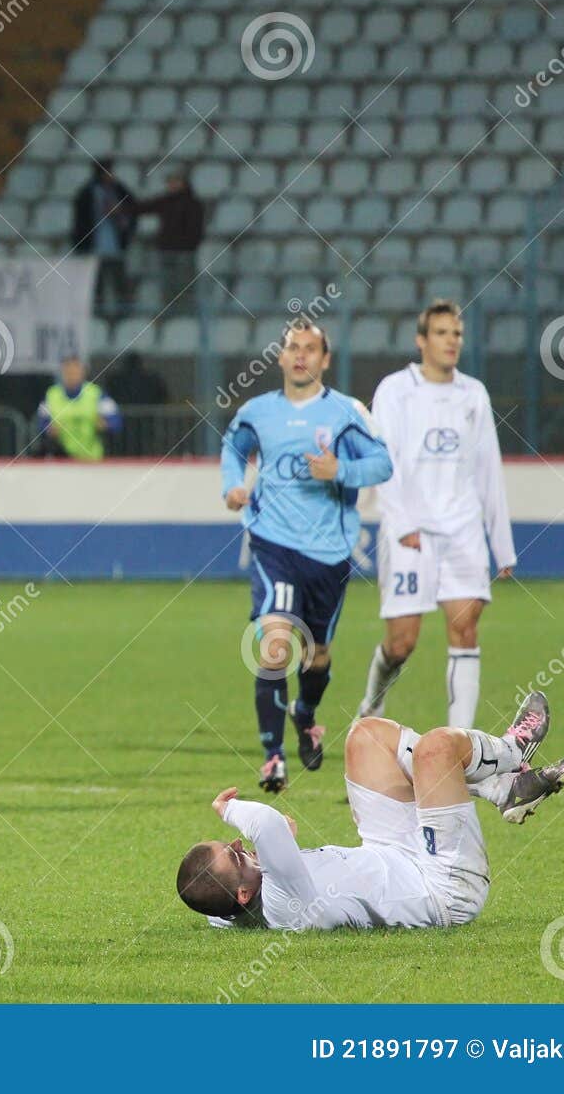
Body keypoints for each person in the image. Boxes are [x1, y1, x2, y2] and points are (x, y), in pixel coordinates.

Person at [177, 692, 564, 930]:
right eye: (232, 853)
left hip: (388, 848)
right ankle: (511, 754)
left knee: (366, 734)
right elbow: (264, 822)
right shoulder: (282, 903)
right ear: (245, 893)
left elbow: (216, 906)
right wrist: (226, 808)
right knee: (436, 748)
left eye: (226, 842)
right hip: (444, 886)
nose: (236, 843)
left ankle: (503, 789)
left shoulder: (239, 906)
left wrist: (274, 852)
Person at [220, 319, 393, 794]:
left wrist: (341, 470)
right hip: (272, 544)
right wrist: (232, 487)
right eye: (292, 347)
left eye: (310, 349)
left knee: (316, 656)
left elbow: (383, 463)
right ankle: (273, 757)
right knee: (276, 644)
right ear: (280, 357)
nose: (300, 355)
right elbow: (233, 448)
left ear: (325, 359)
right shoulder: (258, 412)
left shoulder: (345, 412)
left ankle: (306, 713)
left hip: (329, 553)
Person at [360, 300, 516, 728]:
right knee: (402, 643)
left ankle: (459, 743)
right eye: (443, 333)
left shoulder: (474, 394)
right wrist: (403, 522)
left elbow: (488, 469)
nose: (452, 342)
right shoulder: (395, 390)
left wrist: (501, 543)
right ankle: (372, 702)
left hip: (463, 530)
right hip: (410, 531)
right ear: (421, 340)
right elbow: (382, 459)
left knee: (465, 631)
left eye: (457, 334)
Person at [71, 161, 136, 318]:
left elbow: (133, 211)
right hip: (94, 248)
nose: (110, 175)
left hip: (116, 247)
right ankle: (97, 317)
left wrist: (123, 222)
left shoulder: (120, 191)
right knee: (96, 286)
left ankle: (124, 316)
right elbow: (79, 222)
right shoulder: (86, 194)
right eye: (107, 172)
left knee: (119, 283)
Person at [136, 170, 205, 308]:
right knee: (167, 286)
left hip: (184, 252)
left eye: (175, 181)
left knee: (184, 286)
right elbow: (142, 207)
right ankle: (170, 315)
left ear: (184, 183)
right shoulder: (165, 201)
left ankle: (184, 315)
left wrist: (190, 245)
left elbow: (197, 229)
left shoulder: (193, 203)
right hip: (166, 250)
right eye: (170, 182)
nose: (171, 185)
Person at [37, 356, 119, 461]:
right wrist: (49, 430)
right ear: (62, 373)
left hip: (92, 459)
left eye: (75, 372)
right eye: (68, 372)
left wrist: (105, 425)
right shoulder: (52, 394)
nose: (72, 376)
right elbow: (41, 424)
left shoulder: (96, 393)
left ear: (83, 373)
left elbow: (116, 422)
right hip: (62, 459)